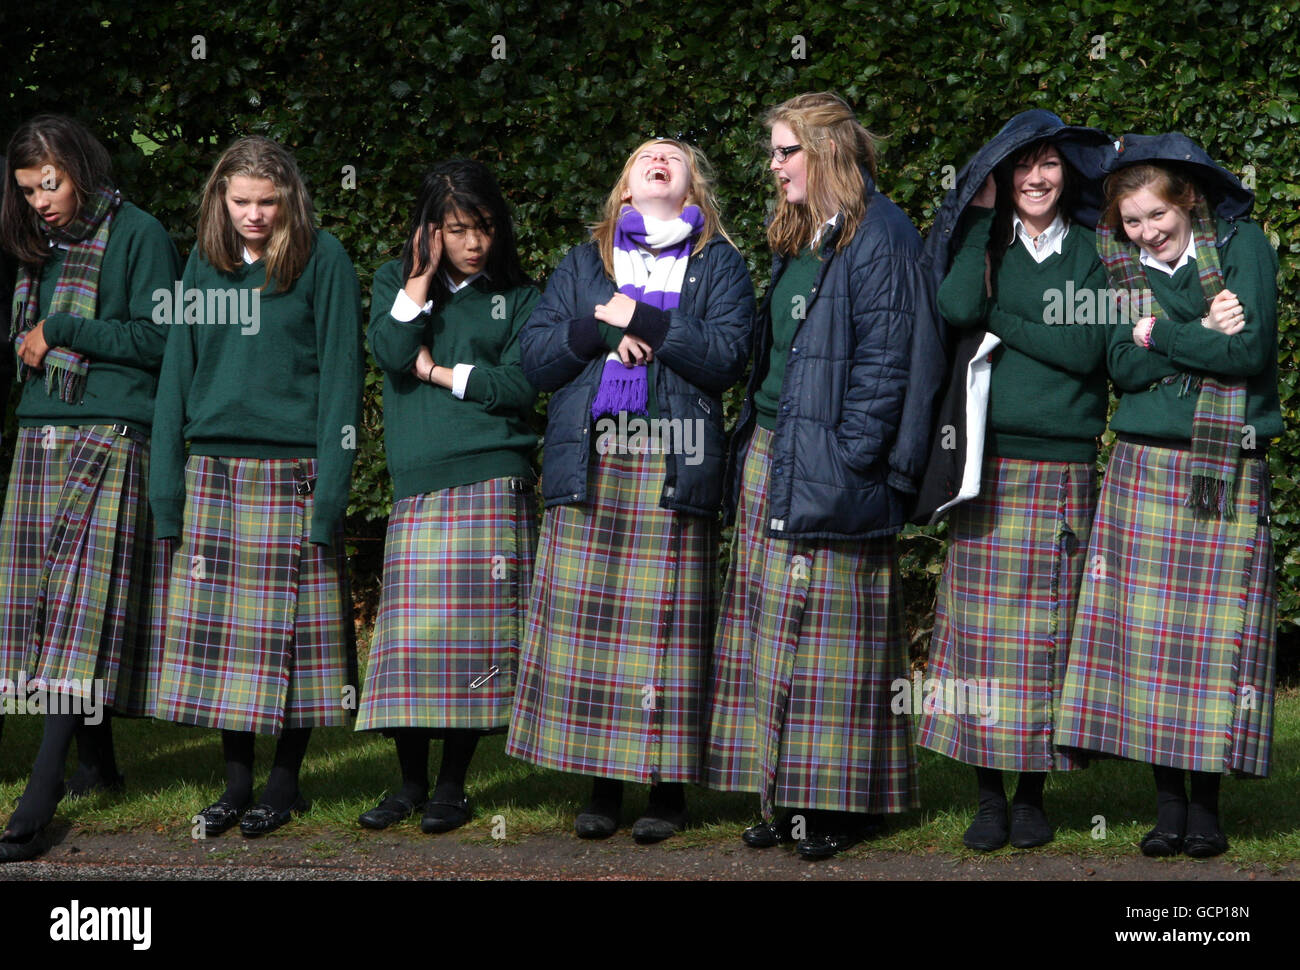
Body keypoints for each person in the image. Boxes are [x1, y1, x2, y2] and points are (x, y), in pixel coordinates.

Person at [507, 138, 755, 843]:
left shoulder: (719, 265)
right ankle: (602, 787)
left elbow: (727, 356)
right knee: (592, 635)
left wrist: (642, 320)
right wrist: (598, 330)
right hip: (593, 461)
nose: (658, 161)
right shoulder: (586, 262)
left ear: (692, 189)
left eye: (672, 158)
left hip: (674, 461)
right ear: (623, 188)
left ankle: (668, 793)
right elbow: (536, 357)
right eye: (646, 156)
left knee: (667, 634)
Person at [705, 92, 928, 860]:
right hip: (774, 450)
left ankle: (842, 808)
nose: (773, 166)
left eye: (784, 151)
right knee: (777, 640)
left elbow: (887, 362)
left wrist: (852, 458)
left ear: (827, 152)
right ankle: (785, 798)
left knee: (835, 646)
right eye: (772, 152)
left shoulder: (882, 235)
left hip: (831, 464)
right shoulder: (802, 235)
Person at [1056, 133, 1280, 858]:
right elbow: (1120, 363)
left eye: (1157, 214)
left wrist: (1160, 333)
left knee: (1214, 644)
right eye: (1132, 221)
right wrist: (1192, 333)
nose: (1147, 231)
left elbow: (1249, 352)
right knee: (1150, 646)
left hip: (1224, 463)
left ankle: (1207, 809)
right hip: (1145, 463)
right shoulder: (1118, 269)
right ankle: (1166, 807)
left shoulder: (1245, 248)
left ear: (1186, 200)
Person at [150, 136, 364, 838]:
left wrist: (330, 492)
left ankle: (284, 783)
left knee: (295, 642)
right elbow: (176, 375)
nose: (253, 214)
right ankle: (236, 784)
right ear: (220, 199)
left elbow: (341, 378)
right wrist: (165, 489)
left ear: (290, 200)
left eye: (267, 202)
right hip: (212, 471)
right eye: (240, 201)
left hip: (295, 471)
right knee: (223, 649)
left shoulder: (322, 257)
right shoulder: (201, 264)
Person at [915, 112, 1112, 851]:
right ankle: (988, 797)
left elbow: (1086, 346)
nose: (1038, 178)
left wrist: (1004, 310)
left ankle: (1033, 794)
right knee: (983, 643)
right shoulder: (985, 243)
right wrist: (980, 224)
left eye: (1051, 165)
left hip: (1061, 463)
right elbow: (957, 305)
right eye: (1022, 166)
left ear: (1068, 175)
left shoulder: (1095, 249)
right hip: (984, 463)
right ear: (1000, 178)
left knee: (1046, 641)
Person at [0, 115, 180, 862]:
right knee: (42, 599)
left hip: (109, 429)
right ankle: (97, 763)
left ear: (79, 168)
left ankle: (37, 796)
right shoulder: (41, 246)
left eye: (51, 183)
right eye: (27, 189)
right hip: (42, 427)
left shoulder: (137, 234)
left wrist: (68, 326)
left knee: (80, 603)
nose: (41, 200)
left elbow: (160, 336)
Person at [355, 160, 540, 834]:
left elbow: (519, 386)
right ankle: (406, 784)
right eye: (458, 229)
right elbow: (388, 348)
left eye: (485, 228)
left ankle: (452, 788)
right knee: (410, 650)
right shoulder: (394, 284)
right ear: (430, 230)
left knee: (470, 649)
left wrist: (435, 370)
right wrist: (419, 278)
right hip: (419, 484)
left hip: (492, 477)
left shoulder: (520, 297)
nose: (475, 243)